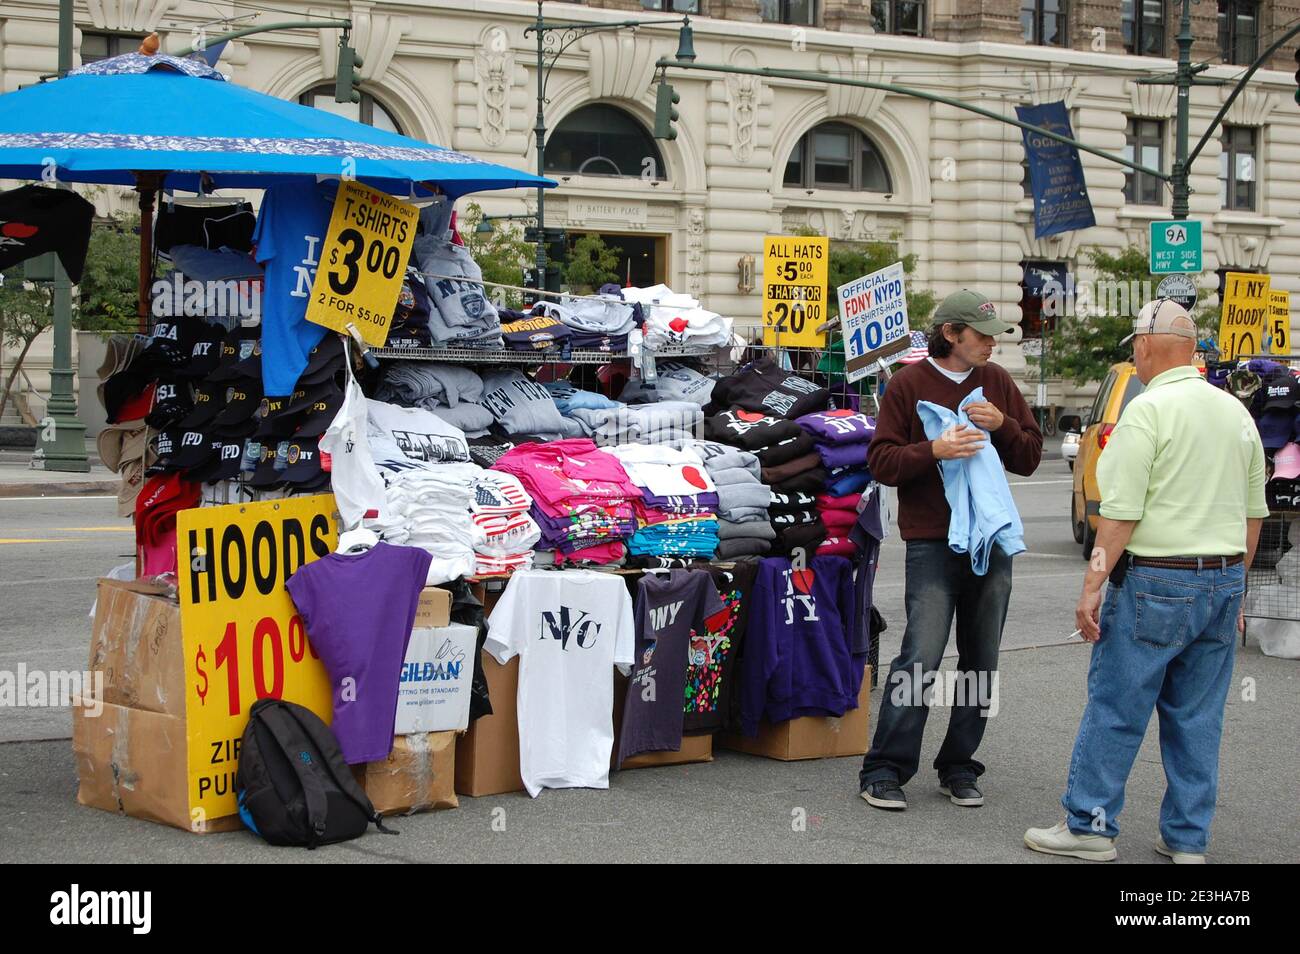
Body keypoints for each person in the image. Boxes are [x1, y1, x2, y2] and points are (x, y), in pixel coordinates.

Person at [1024, 299, 1266, 863]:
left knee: (1117, 707)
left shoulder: (1147, 410)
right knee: (1198, 717)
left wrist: (1091, 587)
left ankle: (1090, 825)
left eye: (1135, 339)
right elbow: (1254, 512)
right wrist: (1238, 587)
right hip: (1222, 576)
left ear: (1150, 344)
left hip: (1158, 579)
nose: (1133, 347)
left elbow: (1120, 516)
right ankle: (1187, 841)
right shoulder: (1234, 412)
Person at [859, 289, 1042, 811]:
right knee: (921, 655)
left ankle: (959, 767)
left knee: (982, 659)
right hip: (933, 543)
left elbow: (1030, 457)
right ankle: (884, 769)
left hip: (991, 539)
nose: (991, 344)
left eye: (993, 336)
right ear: (950, 334)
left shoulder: (998, 383)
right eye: (981, 335)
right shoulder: (908, 385)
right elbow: (881, 462)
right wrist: (934, 449)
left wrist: (1002, 425)